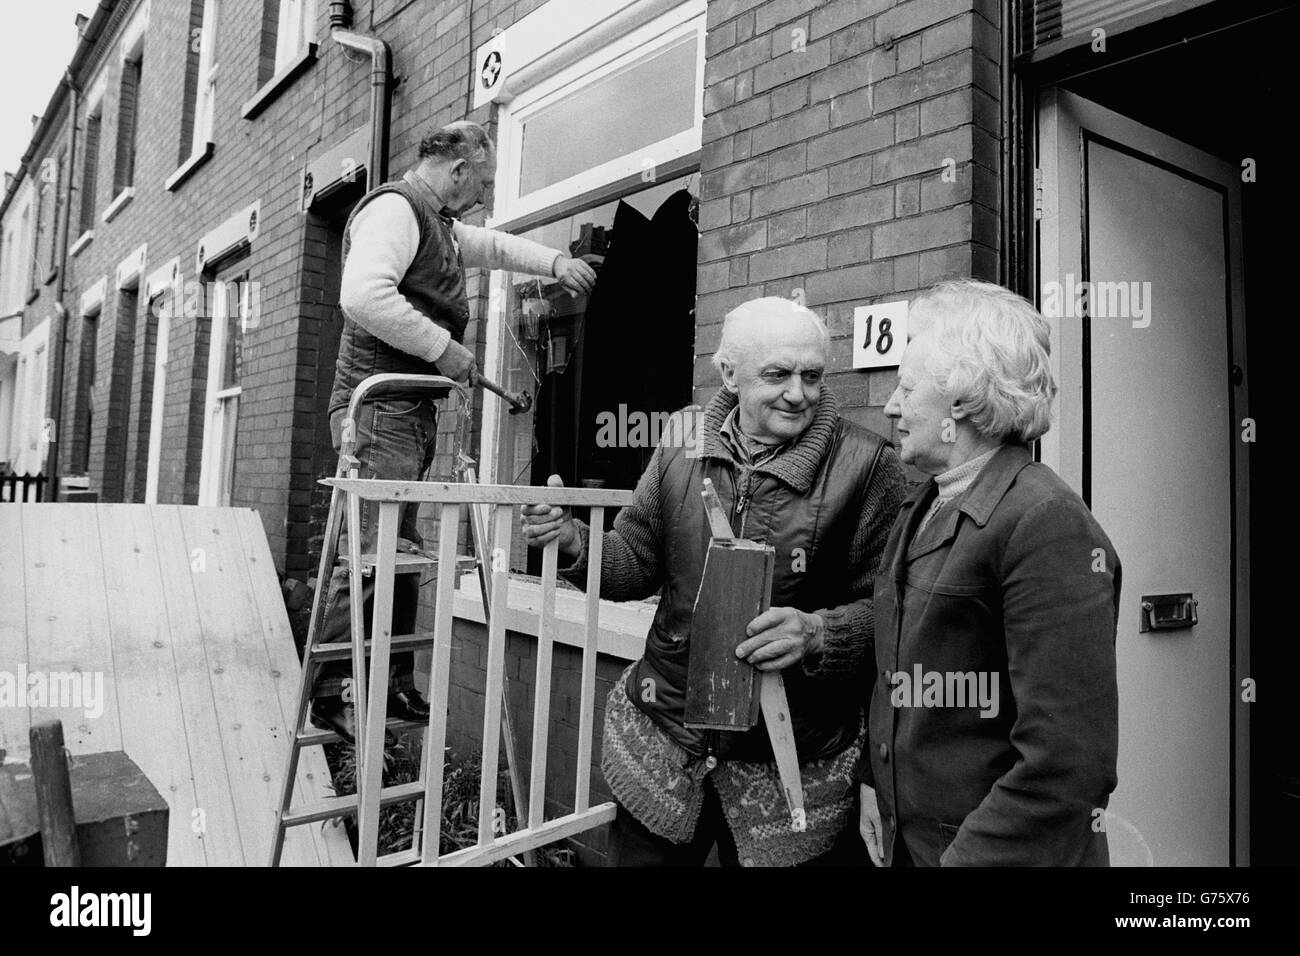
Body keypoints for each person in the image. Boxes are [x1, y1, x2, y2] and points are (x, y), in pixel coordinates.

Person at [522, 296, 907, 866]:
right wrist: (578, 544)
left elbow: (894, 608)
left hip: (792, 765)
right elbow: (636, 559)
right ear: (729, 373)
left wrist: (820, 633)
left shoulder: (868, 464)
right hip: (666, 747)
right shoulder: (681, 442)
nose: (798, 393)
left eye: (812, 375)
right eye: (777, 375)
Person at [311, 121, 597, 743]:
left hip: (406, 411)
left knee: (399, 550)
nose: (484, 197)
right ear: (460, 169)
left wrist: (556, 261)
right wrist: (442, 349)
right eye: (484, 182)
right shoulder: (396, 209)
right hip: (379, 410)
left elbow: (493, 248)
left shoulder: (435, 221)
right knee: (370, 553)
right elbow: (361, 297)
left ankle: (390, 682)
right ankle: (332, 690)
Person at [857, 279, 1121, 866]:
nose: (890, 406)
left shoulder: (1046, 523)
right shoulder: (924, 502)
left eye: (906, 386)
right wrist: (875, 783)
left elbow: (1069, 763)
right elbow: (894, 673)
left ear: (960, 398)